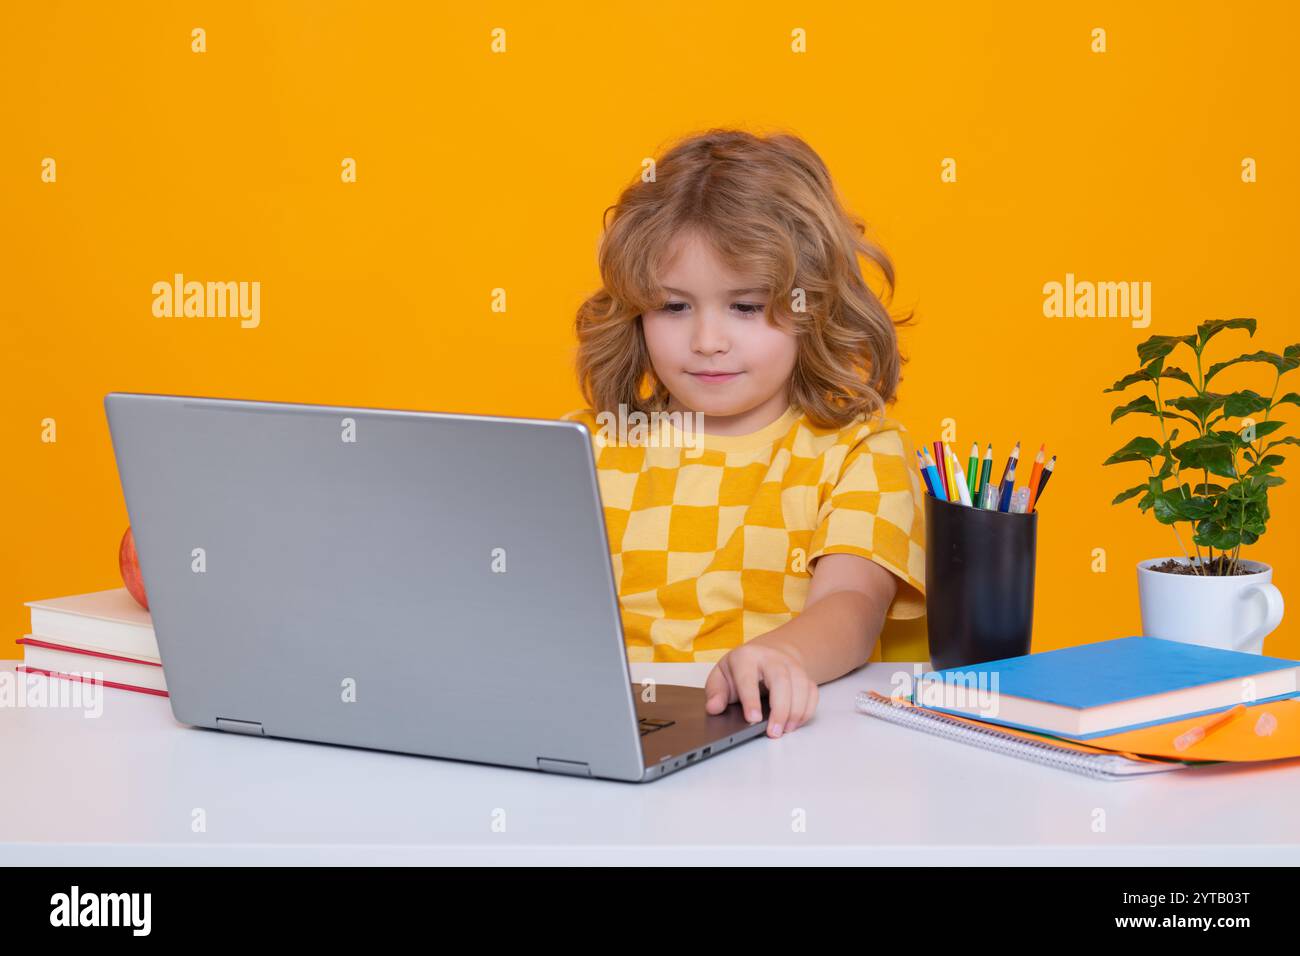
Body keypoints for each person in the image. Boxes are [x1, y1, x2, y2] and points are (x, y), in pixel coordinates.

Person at [563, 128, 925, 739]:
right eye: (674, 307)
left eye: (748, 307)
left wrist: (784, 657)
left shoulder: (857, 452)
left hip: (780, 741)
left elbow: (854, 605)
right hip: (610, 735)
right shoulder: (585, 449)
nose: (707, 340)